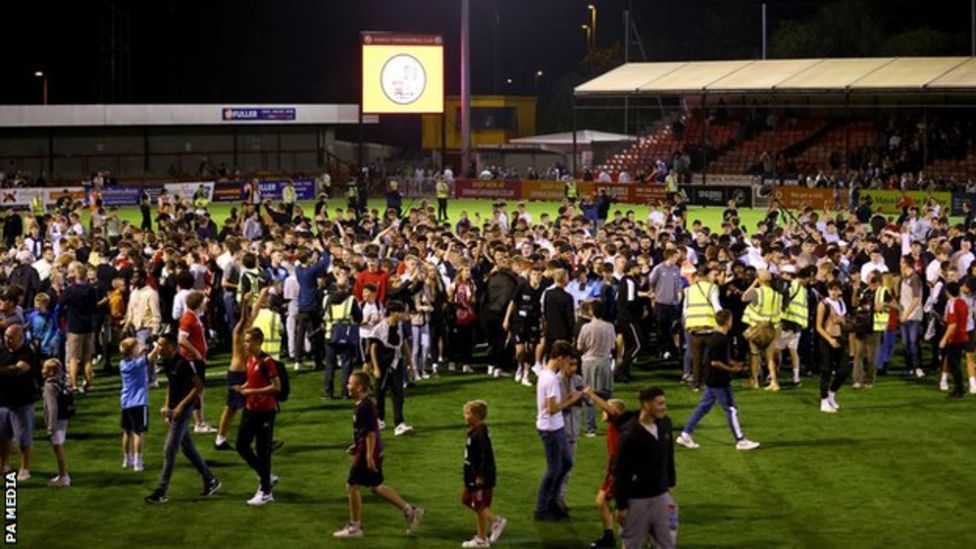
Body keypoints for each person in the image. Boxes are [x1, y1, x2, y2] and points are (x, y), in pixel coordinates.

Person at [333, 371, 425, 539]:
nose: (347, 386)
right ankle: (410, 511)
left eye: (350, 383)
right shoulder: (364, 404)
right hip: (371, 450)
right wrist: (356, 445)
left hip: (368, 452)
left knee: (352, 485)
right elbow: (368, 431)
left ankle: (355, 527)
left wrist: (368, 456)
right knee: (376, 487)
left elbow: (370, 434)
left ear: (359, 387)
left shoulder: (364, 407)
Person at [145, 334, 221, 504]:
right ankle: (210, 480)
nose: (158, 348)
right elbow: (172, 385)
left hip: (184, 410)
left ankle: (161, 490)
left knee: (170, 449)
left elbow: (198, 386)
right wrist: (167, 407)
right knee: (187, 448)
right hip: (175, 410)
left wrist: (179, 407)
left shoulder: (183, 364)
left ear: (171, 347)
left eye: (161, 345)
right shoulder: (167, 361)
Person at [675, 310, 761, 450]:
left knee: (703, 407)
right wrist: (731, 369)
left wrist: (734, 363)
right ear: (728, 321)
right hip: (718, 379)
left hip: (712, 378)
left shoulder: (716, 337)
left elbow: (720, 358)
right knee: (731, 409)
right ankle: (741, 440)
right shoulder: (720, 339)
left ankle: (685, 434)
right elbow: (715, 362)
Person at [613, 387, 678, 549]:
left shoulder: (665, 424)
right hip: (636, 500)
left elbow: (669, 456)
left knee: (667, 542)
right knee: (631, 543)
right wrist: (621, 505)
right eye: (660, 403)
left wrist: (670, 484)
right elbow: (620, 471)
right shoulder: (630, 434)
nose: (664, 407)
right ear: (646, 404)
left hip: (662, 497)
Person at [534, 340, 585, 521]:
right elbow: (552, 409)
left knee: (566, 463)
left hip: (556, 426)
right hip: (550, 428)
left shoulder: (547, 375)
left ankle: (553, 502)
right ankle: (542, 508)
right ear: (561, 358)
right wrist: (573, 399)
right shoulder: (551, 379)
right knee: (554, 469)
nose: (568, 365)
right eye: (567, 360)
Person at [233, 326, 281, 506]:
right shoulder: (250, 359)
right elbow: (253, 379)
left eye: (247, 341)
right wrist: (244, 386)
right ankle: (266, 476)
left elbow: (276, 386)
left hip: (265, 412)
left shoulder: (267, 361)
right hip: (250, 408)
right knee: (241, 445)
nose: (245, 344)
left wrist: (251, 391)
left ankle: (266, 491)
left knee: (263, 451)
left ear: (257, 342)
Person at [460, 400, 506, 548]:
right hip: (471, 475)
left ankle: (495, 522)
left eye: (467, 413)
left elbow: (484, 455)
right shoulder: (475, 430)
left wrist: (480, 475)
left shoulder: (481, 432)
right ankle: (481, 538)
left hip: (481, 477)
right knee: (468, 499)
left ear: (477, 416)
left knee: (479, 503)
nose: (465, 416)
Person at [370, 301, 413, 436]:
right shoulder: (379, 328)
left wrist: (410, 363)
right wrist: (376, 368)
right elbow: (373, 348)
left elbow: (404, 344)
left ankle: (399, 422)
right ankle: (379, 418)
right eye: (400, 312)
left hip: (396, 362)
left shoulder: (401, 327)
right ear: (393, 313)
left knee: (397, 393)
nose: (402, 314)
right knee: (380, 392)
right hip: (382, 363)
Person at [0, 325, 37, 481]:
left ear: (20, 338)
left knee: (23, 439)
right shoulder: (2, 353)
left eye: (11, 338)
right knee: (3, 437)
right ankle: (4, 465)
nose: (7, 340)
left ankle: (25, 468)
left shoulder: (27, 353)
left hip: (21, 402)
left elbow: (18, 369)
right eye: (6, 337)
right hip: (3, 402)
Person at [577, 300, 615, 437]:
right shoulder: (609, 327)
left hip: (589, 362)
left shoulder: (586, 328)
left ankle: (591, 428)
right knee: (607, 394)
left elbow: (580, 346)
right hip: (604, 361)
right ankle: (613, 421)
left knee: (589, 395)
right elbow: (612, 345)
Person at [60, 262, 97, 392]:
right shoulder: (91, 290)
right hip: (88, 325)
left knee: (73, 357)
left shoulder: (70, 290)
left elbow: (61, 304)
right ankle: (89, 383)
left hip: (74, 325)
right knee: (87, 357)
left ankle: (74, 384)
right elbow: (94, 307)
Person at [815, 281, 849, 413]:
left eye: (836, 290)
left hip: (839, 338)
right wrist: (829, 340)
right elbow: (818, 326)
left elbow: (843, 321)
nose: (834, 292)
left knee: (844, 370)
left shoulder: (841, 303)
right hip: (826, 339)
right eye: (831, 290)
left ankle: (831, 393)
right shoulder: (823, 304)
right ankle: (823, 400)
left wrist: (841, 320)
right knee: (826, 370)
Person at [119, 337, 149, 472]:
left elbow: (138, 360)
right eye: (136, 347)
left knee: (127, 431)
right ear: (132, 351)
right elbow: (150, 358)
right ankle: (138, 462)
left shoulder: (122, 364)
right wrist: (157, 347)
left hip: (126, 403)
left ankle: (127, 459)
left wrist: (141, 352)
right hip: (139, 402)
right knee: (138, 433)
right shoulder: (138, 364)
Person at [41, 358, 71, 487]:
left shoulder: (50, 386)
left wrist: (50, 427)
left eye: (45, 368)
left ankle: (64, 476)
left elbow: (52, 407)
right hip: (63, 419)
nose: (42, 371)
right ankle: (62, 475)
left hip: (56, 421)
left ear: (51, 371)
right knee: (59, 447)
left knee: (58, 448)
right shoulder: (62, 382)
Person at [940, 281, 969, 399]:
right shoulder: (963, 303)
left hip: (954, 337)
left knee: (953, 364)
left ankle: (959, 390)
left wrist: (944, 338)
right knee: (956, 363)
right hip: (963, 335)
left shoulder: (952, 304)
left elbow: (953, 324)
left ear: (948, 292)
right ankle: (960, 389)